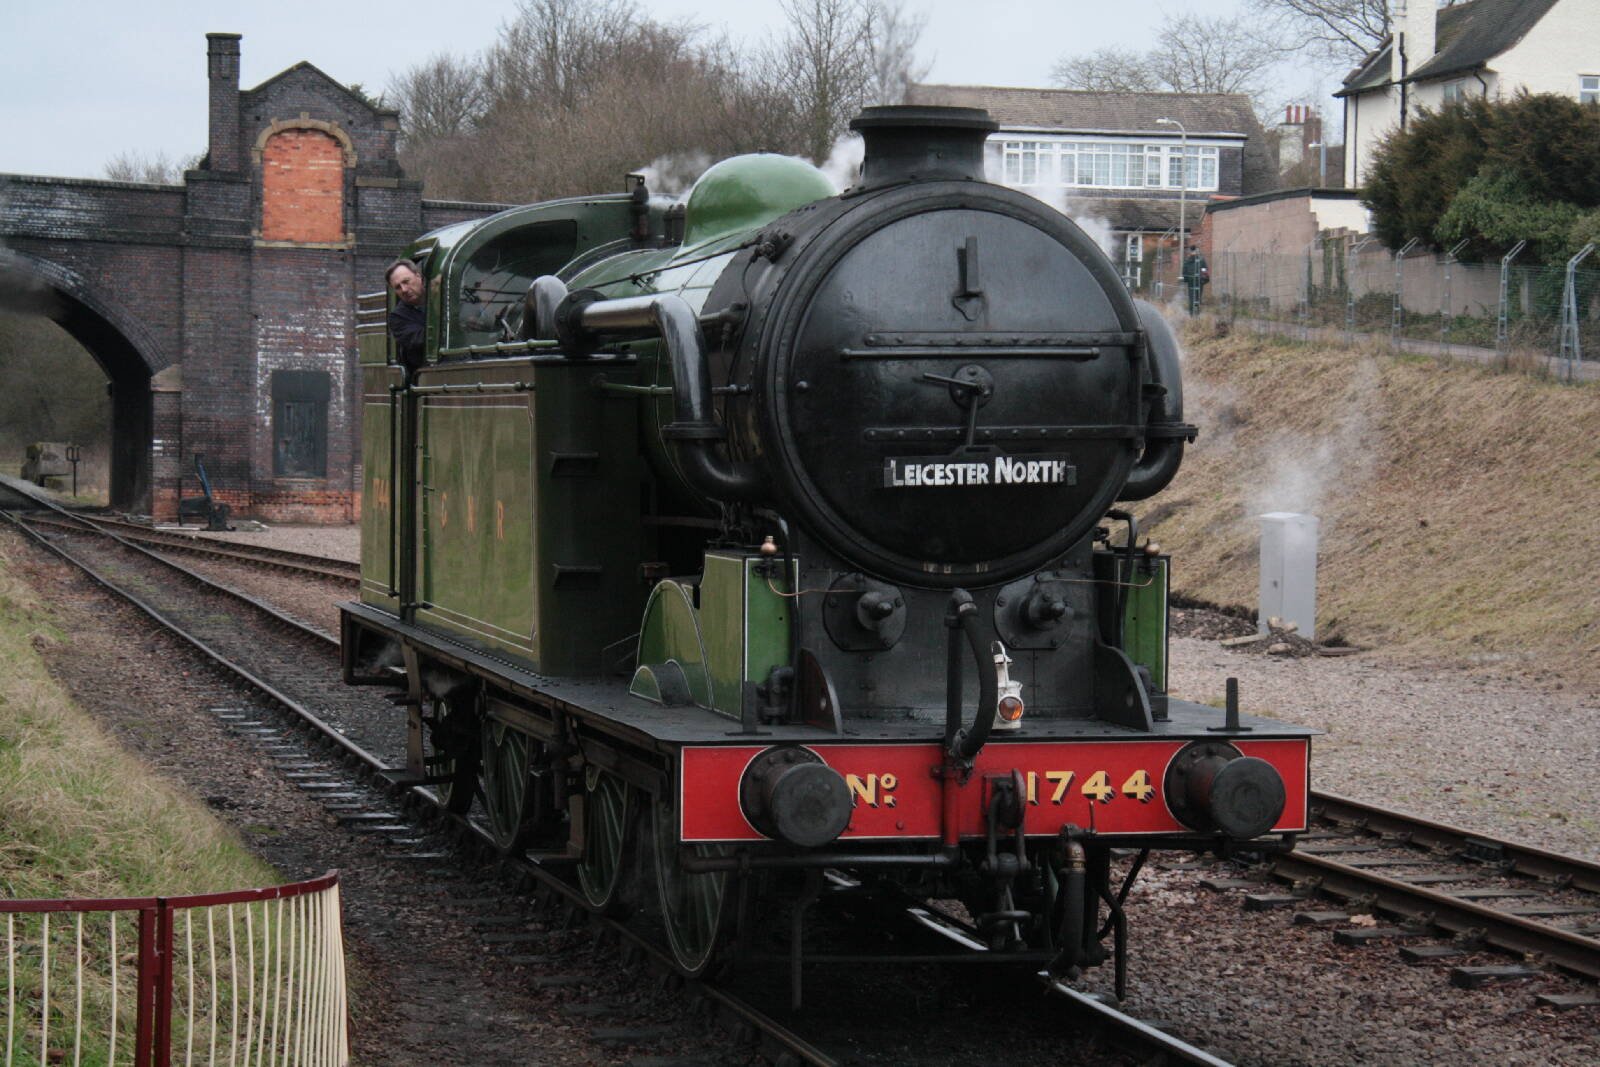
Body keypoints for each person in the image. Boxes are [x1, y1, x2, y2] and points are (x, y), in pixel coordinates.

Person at [386, 259, 426, 369]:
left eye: (406, 282)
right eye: (398, 287)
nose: (403, 290)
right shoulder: (398, 318)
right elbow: (422, 340)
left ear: (418, 276)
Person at [1181, 245, 1209, 315]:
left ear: (1190, 251)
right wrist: (1204, 279)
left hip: (1191, 282)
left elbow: (1184, 273)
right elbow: (1204, 270)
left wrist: (1186, 279)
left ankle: (1192, 315)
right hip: (1199, 282)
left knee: (1192, 299)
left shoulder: (1187, 261)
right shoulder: (1201, 260)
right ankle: (1196, 314)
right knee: (1198, 299)